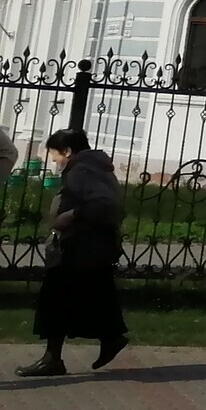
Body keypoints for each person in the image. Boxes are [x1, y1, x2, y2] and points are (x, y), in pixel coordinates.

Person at [15, 128, 129, 377]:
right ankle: (109, 338)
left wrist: (70, 216)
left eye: (55, 154)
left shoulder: (81, 171)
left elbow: (102, 203)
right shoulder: (95, 167)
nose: (54, 160)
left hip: (78, 249)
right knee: (90, 296)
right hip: (88, 248)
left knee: (55, 300)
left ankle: (53, 359)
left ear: (67, 151)